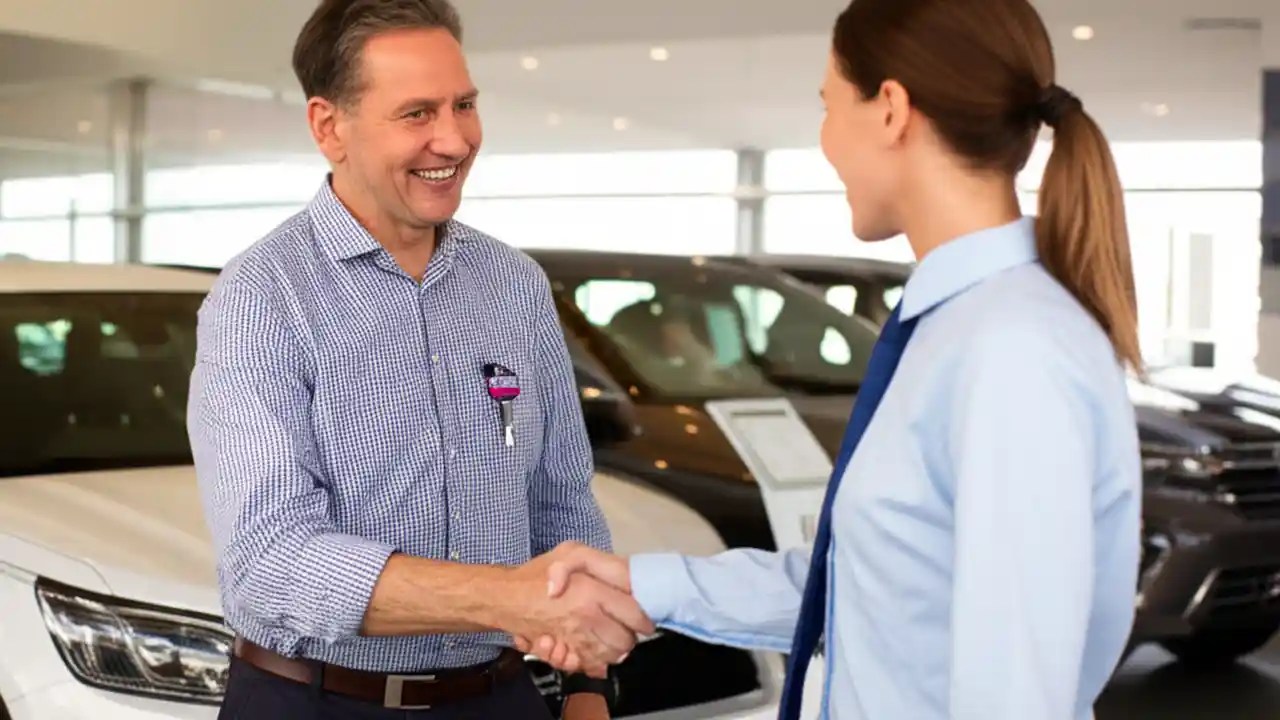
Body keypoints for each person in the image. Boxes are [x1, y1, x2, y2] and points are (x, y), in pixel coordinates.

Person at [518, 0, 1144, 718]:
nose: (825, 141)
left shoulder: (1012, 348)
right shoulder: (953, 328)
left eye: (828, 105)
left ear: (891, 110)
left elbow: (1014, 692)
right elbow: (870, 591)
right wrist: (641, 585)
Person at [187, 1, 651, 718]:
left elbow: (561, 498)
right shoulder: (262, 297)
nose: (455, 139)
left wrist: (589, 686)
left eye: (463, 104)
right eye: (417, 114)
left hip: (500, 696)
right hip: (316, 700)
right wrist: (507, 598)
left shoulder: (514, 284)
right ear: (329, 127)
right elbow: (272, 561)